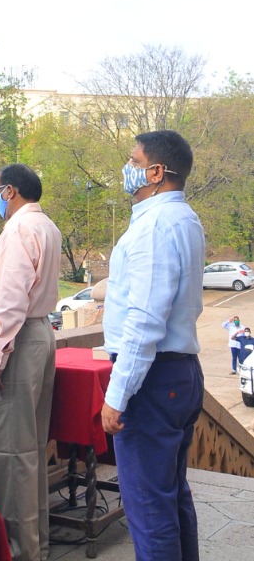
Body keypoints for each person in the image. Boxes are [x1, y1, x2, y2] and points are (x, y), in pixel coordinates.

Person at [101, 130, 205, 561]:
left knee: (148, 506)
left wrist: (116, 396)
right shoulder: (184, 219)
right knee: (170, 496)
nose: (127, 169)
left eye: (133, 160)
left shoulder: (156, 227)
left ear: (156, 172)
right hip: (178, 374)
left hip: (153, 379)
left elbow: (144, 323)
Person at [0, 163, 62, 561]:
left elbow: (11, 298)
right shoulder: (48, 226)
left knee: (11, 455)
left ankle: (19, 551)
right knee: (30, 452)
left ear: (9, 191)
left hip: (21, 338)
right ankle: (36, 547)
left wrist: (0, 356)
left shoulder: (19, 229)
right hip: (41, 332)